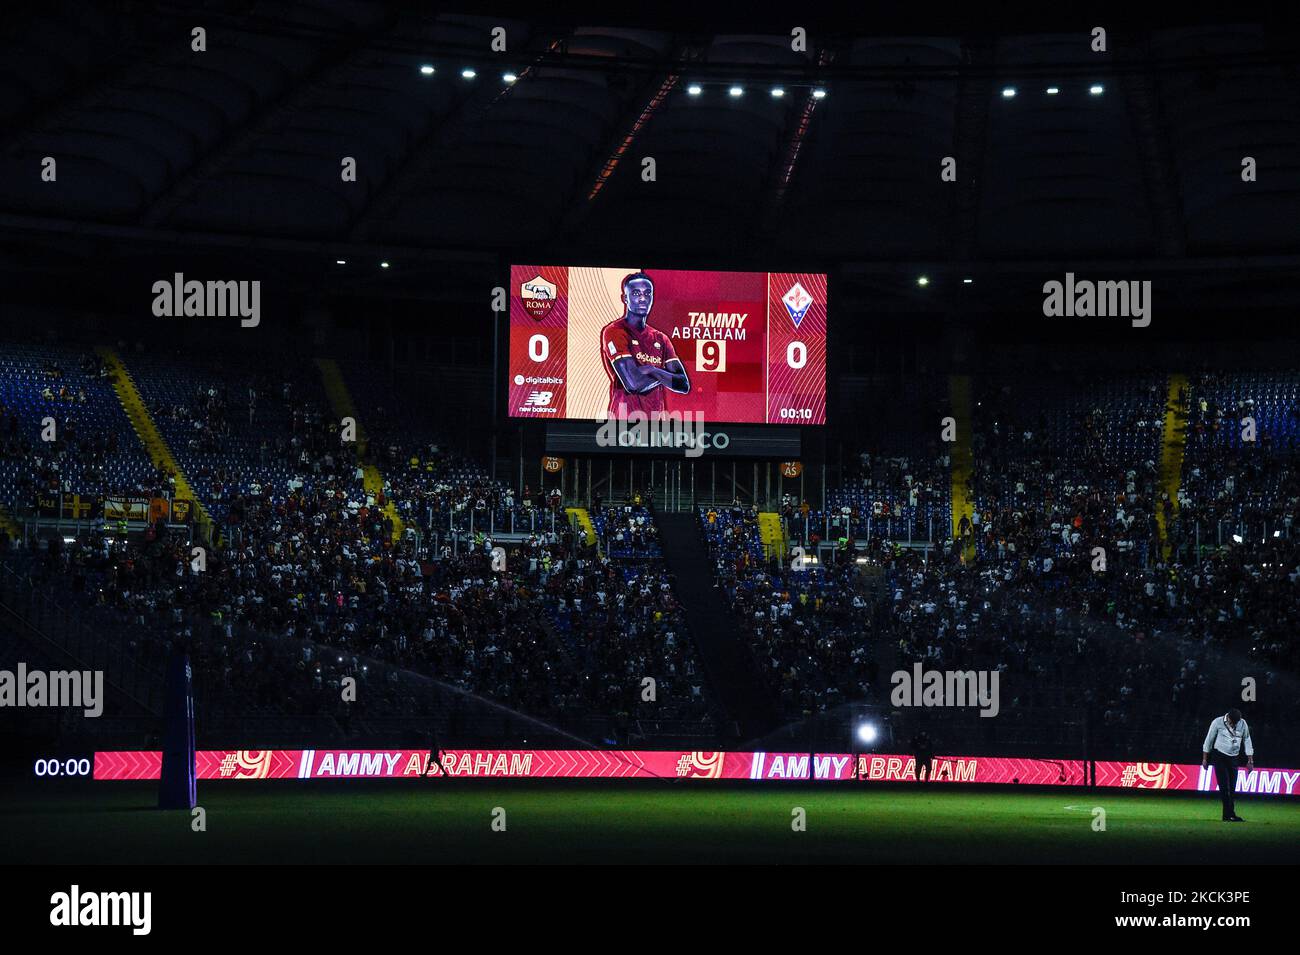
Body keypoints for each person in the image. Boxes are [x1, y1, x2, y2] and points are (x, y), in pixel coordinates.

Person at [601, 272, 689, 417]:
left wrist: (651, 369)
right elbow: (633, 384)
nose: (643, 298)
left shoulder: (661, 338)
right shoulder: (615, 331)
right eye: (636, 293)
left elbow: (683, 384)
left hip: (656, 426)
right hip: (623, 424)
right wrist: (665, 375)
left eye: (648, 293)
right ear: (625, 298)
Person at [1202, 708, 1254, 821]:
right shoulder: (1217, 722)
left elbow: (1247, 740)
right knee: (1224, 787)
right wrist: (1205, 759)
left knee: (1232, 787)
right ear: (1228, 717)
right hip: (1219, 756)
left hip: (1234, 758)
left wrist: (1250, 760)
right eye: (1232, 722)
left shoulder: (1242, 723)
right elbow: (1209, 740)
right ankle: (1227, 815)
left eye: (1235, 723)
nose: (1233, 724)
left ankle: (1230, 814)